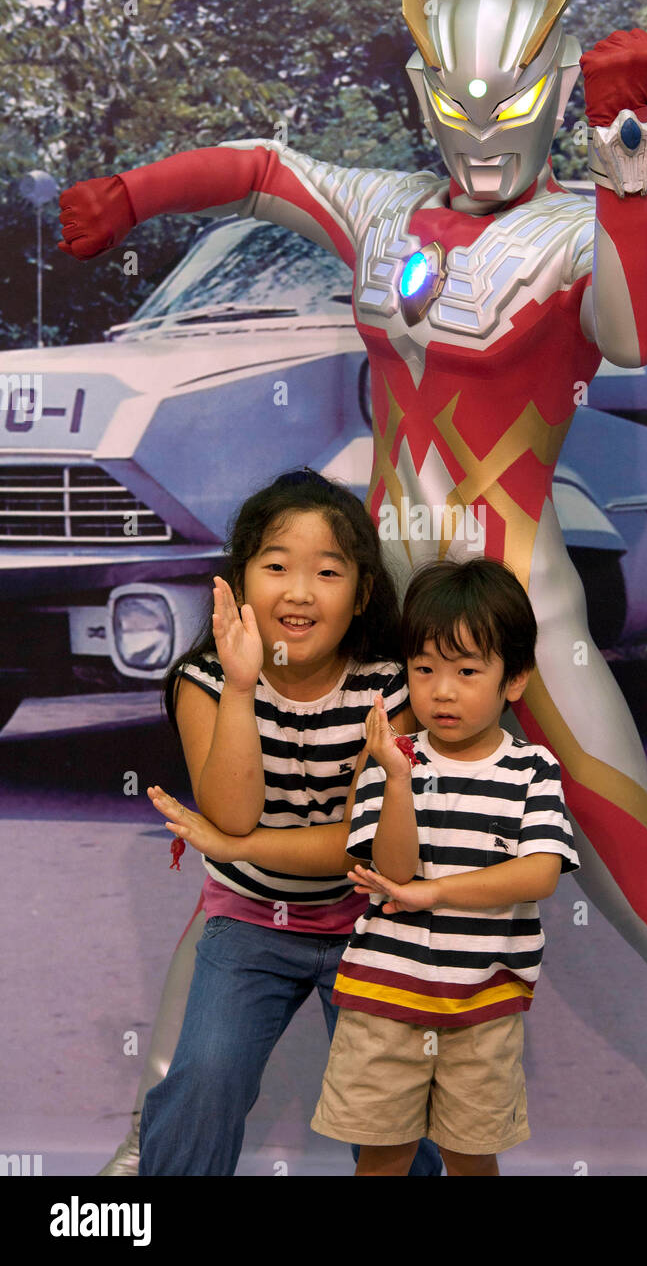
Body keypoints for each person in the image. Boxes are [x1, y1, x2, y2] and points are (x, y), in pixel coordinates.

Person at [60, 0, 647, 1177]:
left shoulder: (578, 228)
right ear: (424, 99)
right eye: (453, 114)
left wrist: (629, 168)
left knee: (641, 879)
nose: (476, 144)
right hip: (372, 634)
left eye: (504, 112)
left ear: (543, 102)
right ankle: (142, 1164)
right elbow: (257, 163)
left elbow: (640, 335)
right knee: (248, 883)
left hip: (517, 616)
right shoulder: (378, 207)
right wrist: (140, 190)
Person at [138, 468, 440, 1176]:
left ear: (362, 592)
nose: (298, 592)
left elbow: (362, 849)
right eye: (275, 567)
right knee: (206, 1079)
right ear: (240, 580)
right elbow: (230, 810)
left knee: (393, 1111)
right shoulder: (205, 682)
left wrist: (236, 846)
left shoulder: (388, 686)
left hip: (370, 925)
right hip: (248, 923)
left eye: (327, 572)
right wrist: (243, 686)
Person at [306, 558, 579, 1175]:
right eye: (424, 669)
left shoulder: (532, 769)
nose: (442, 690)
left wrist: (434, 894)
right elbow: (392, 867)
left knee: (471, 1159)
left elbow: (538, 873)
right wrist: (398, 781)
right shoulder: (389, 759)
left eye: (466, 671)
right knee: (382, 1158)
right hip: (384, 999)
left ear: (515, 679)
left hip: (484, 1007)